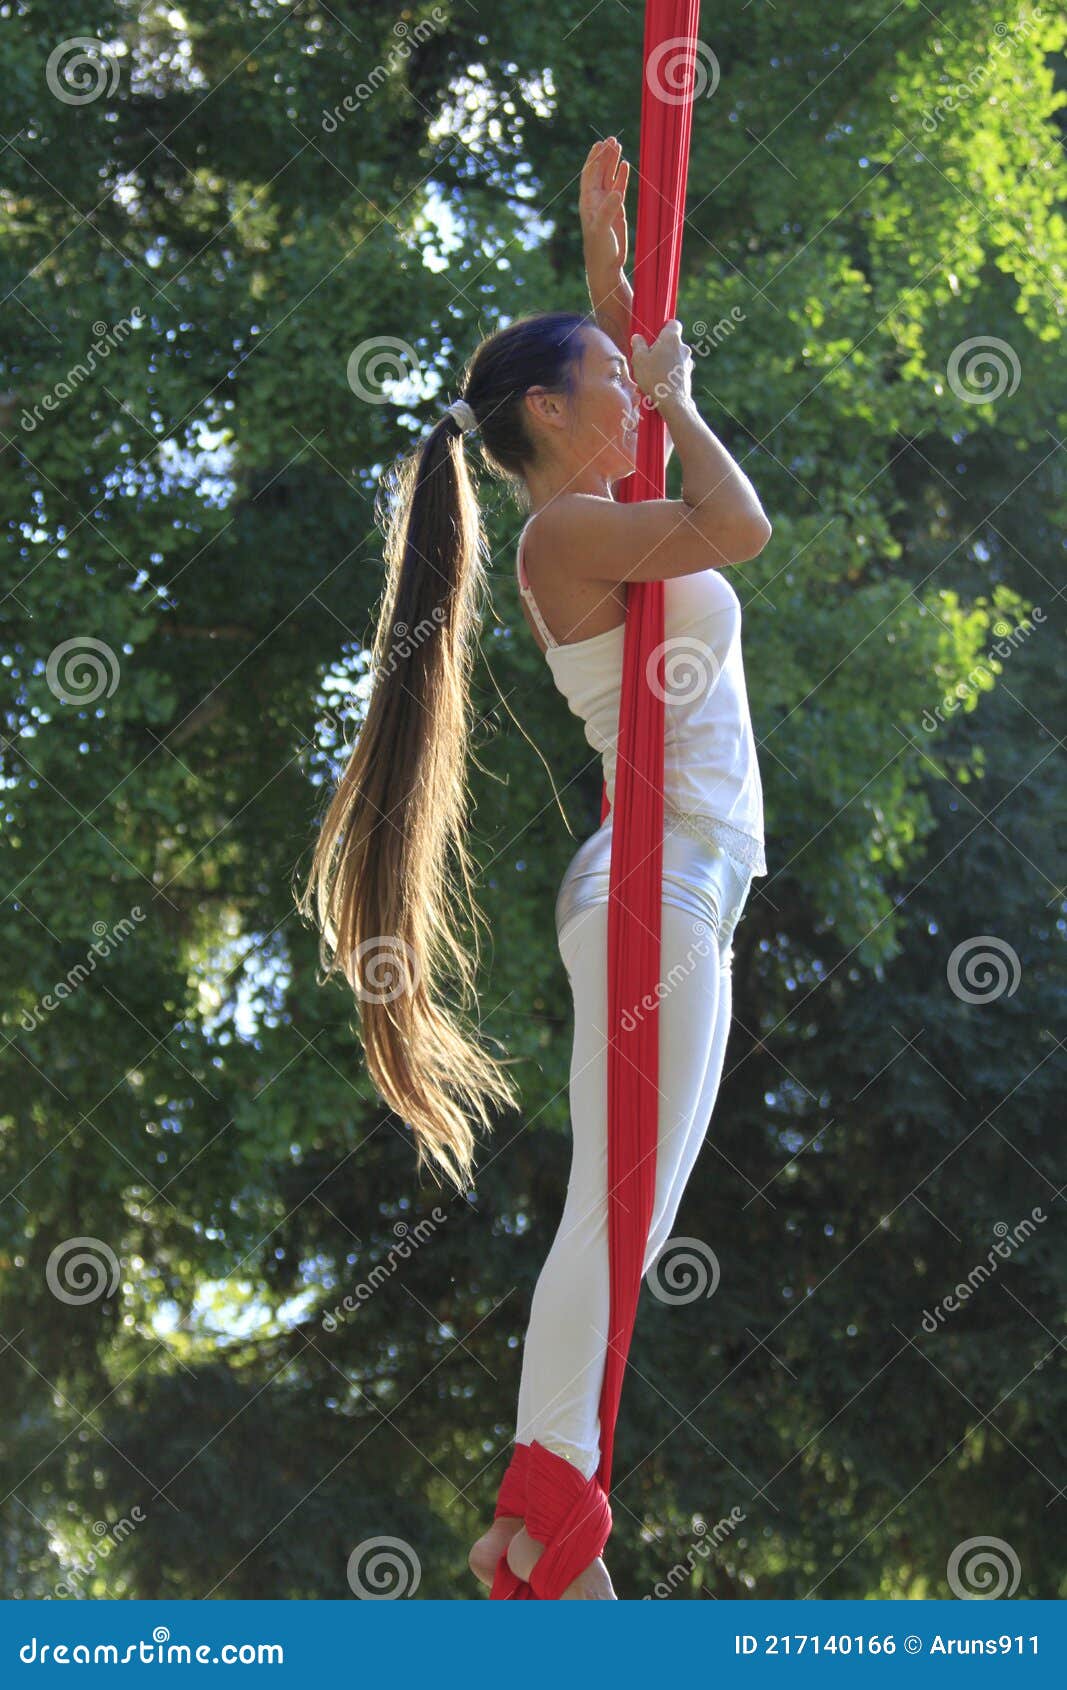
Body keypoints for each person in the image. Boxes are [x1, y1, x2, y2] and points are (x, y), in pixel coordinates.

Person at [297, 140, 771, 1600]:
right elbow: (743, 526)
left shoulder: (594, 495)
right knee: (618, 1209)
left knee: (633, 1210)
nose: (641, 379)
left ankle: (548, 1500)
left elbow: (617, 366)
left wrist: (609, 251)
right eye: (614, 380)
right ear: (559, 417)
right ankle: (543, 1512)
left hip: (684, 892)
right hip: (656, 887)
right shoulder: (573, 530)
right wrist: (682, 402)